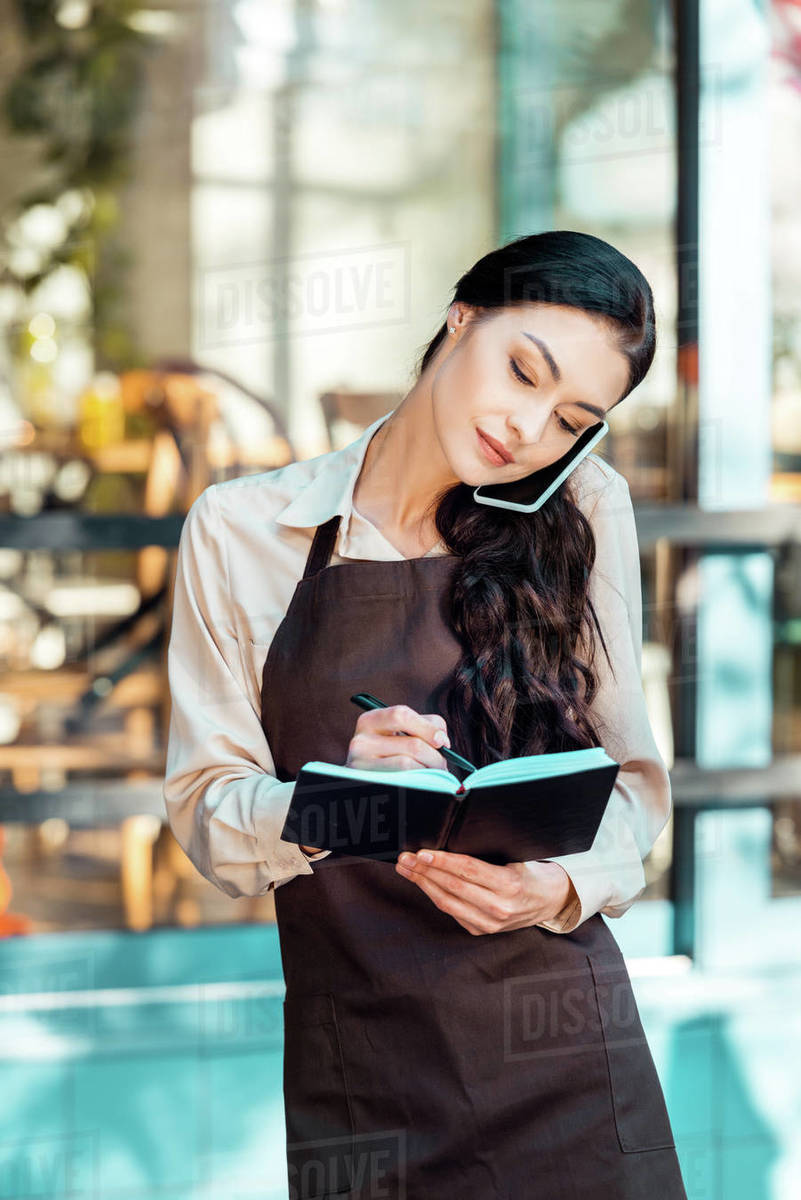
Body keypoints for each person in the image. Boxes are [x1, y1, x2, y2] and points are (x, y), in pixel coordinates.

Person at [163, 230, 688, 1199]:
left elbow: (636, 790)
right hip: (364, 1077)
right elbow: (206, 816)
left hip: (567, 1055)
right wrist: (338, 801)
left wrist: (557, 888)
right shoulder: (245, 529)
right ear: (462, 319)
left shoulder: (585, 510)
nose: (530, 428)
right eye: (523, 371)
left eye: (572, 418)